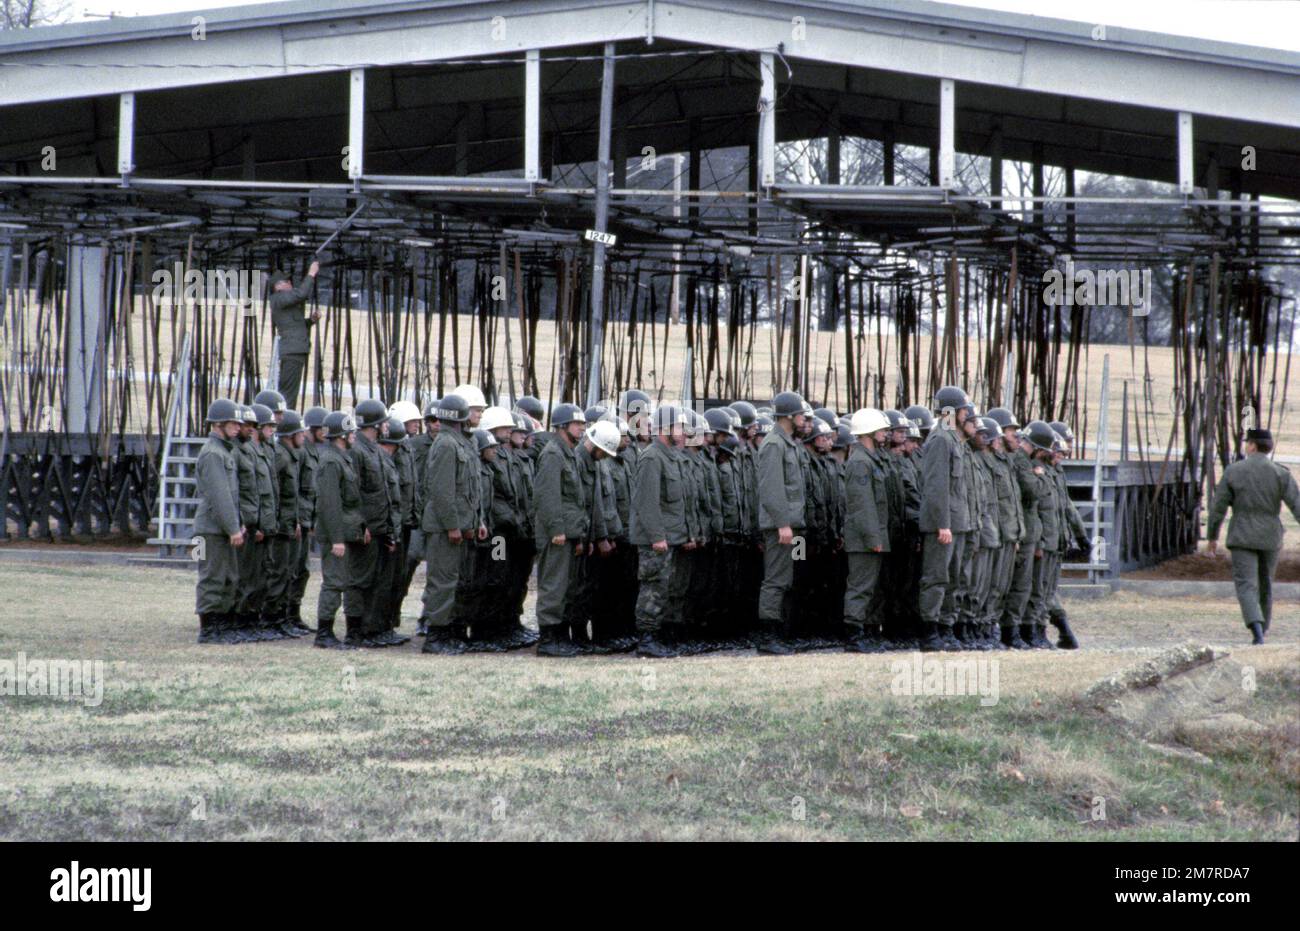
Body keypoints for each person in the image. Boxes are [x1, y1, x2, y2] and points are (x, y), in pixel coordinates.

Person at [1206, 427, 1300, 644]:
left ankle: (1256, 631)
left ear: (1252, 446)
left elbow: (1218, 508)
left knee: (1247, 584)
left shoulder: (1233, 471)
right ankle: (1263, 628)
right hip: (1270, 536)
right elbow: (1296, 505)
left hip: (1241, 535)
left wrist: (1212, 536)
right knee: (1266, 583)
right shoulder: (1281, 473)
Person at [419, 394, 484, 655]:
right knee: (442, 582)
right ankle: (435, 637)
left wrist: (474, 521)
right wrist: (452, 525)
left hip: (458, 526)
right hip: (445, 528)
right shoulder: (446, 444)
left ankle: (448, 633)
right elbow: (442, 491)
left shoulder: (460, 442)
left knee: (454, 581)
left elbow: (468, 490)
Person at [630, 404, 691, 658]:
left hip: (671, 536)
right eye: (678, 426)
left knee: (667, 588)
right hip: (657, 538)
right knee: (653, 587)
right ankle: (647, 638)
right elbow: (647, 502)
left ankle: (660, 636)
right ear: (665, 429)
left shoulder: (671, 456)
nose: (683, 431)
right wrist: (657, 536)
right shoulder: (652, 457)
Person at [917, 386, 975, 652]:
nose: (967, 414)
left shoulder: (954, 439)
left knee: (953, 579)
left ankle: (945, 629)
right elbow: (936, 486)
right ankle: (929, 631)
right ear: (952, 412)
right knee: (936, 578)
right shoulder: (940, 439)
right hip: (944, 524)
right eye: (964, 410)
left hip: (957, 523)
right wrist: (942, 523)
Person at [531, 402, 590, 657]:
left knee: (564, 585)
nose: (581, 428)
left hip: (568, 531)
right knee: (553, 585)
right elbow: (548, 496)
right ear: (563, 426)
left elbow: (574, 498)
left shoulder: (569, 453)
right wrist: (557, 529)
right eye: (577, 424)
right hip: (556, 532)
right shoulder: (553, 454)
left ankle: (559, 636)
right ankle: (548, 639)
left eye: (582, 424)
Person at [756, 391, 813, 655]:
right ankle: (769, 635)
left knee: (794, 578)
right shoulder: (773, 445)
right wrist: (782, 523)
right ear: (789, 416)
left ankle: (787, 632)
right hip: (782, 529)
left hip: (796, 527)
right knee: (776, 579)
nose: (804, 418)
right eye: (801, 414)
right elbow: (771, 489)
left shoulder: (790, 444)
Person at [193, 399, 246, 645]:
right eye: (233, 422)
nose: (238, 427)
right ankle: (209, 629)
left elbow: (232, 495)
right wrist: (233, 527)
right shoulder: (213, 454)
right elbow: (220, 496)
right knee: (212, 577)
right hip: (210, 530)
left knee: (229, 577)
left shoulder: (224, 451)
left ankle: (221, 626)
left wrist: (237, 524)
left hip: (220, 528)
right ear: (218, 424)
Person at [351, 399, 403, 647]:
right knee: (363, 581)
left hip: (381, 528)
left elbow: (385, 492)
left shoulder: (373, 449)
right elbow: (353, 494)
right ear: (375, 424)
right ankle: (359, 631)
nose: (386, 427)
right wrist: (361, 526)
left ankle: (374, 628)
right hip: (368, 529)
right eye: (383, 422)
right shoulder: (358, 451)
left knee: (380, 582)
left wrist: (390, 529)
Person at [842, 408, 891, 652]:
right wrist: (873, 537)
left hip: (871, 535)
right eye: (881, 429)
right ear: (869, 432)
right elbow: (862, 505)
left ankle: (865, 632)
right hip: (864, 537)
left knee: (869, 587)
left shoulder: (870, 458)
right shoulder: (861, 462)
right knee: (860, 587)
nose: (885, 433)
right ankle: (853, 635)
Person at [314, 411, 363, 650]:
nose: (354, 435)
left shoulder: (342, 458)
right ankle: (324, 633)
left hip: (345, 532)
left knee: (342, 581)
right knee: (333, 582)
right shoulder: (331, 461)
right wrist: (337, 539)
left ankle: (328, 632)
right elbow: (330, 503)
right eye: (350, 431)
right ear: (341, 435)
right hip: (337, 535)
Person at [268, 411, 310, 638]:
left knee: (288, 572)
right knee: (279, 573)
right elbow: (275, 494)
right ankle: (273, 620)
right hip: (280, 527)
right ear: (290, 435)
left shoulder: (291, 455)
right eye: (299, 432)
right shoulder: (281, 457)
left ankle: (283, 619)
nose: (303, 435)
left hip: (288, 523)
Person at [268, 262, 320, 409]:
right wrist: (311, 274)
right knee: (288, 393)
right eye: (286, 282)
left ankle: (285, 419)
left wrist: (311, 321)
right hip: (292, 352)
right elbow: (301, 294)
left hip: (295, 351)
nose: (290, 284)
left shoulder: (283, 301)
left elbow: (295, 325)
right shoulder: (278, 298)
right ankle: (284, 422)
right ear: (277, 287)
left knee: (290, 391)